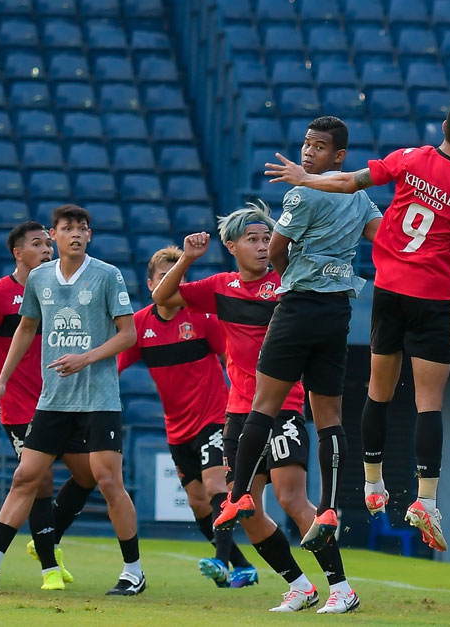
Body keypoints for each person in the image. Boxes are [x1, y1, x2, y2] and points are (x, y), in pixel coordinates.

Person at [265, 102, 450, 551]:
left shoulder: (410, 157)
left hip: (389, 291)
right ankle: (425, 501)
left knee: (378, 390)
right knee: (429, 403)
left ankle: (374, 484)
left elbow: (350, 181)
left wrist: (305, 177)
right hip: (432, 299)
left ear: (444, 127)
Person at [153, 203, 357, 613]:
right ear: (231, 246)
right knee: (244, 507)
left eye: (267, 239)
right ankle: (300, 586)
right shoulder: (219, 287)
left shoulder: (286, 283)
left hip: (283, 407)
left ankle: (341, 588)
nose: (264, 246)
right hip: (238, 413)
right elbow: (162, 296)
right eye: (253, 239)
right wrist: (188, 259)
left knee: (292, 500)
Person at [215, 115, 379, 611]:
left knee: (284, 490)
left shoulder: (302, 195)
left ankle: (239, 495)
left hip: (301, 309)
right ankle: (309, 563)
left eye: (319, 146)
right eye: (306, 144)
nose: (308, 152)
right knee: (329, 415)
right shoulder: (359, 195)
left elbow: (282, 249)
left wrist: (292, 281)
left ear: (338, 156)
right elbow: (379, 234)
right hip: (337, 310)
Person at [0, 204, 144, 596]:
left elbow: (129, 334)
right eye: (67, 227)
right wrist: (1, 381)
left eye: (82, 228)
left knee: (107, 481)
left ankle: (133, 572)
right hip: (52, 400)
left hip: (98, 399)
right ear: (53, 235)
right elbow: (25, 329)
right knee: (25, 477)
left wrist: (85, 357)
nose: (75, 233)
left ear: (89, 235)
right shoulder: (39, 278)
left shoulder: (107, 275)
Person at [117, 246, 259, 589]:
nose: (171, 282)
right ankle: (243, 567)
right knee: (198, 503)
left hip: (215, 418)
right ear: (151, 283)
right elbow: (113, 367)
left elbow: (233, 357)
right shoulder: (140, 325)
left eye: (177, 276)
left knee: (214, 486)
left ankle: (222, 563)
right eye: (164, 276)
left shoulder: (201, 318)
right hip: (177, 430)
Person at [0, 221, 97, 590]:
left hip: (67, 402)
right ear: (17, 252)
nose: (46, 249)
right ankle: (48, 569)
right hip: (22, 407)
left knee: (89, 475)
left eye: (48, 243)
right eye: (37, 244)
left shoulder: (60, 290)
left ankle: (48, 541)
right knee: (39, 481)